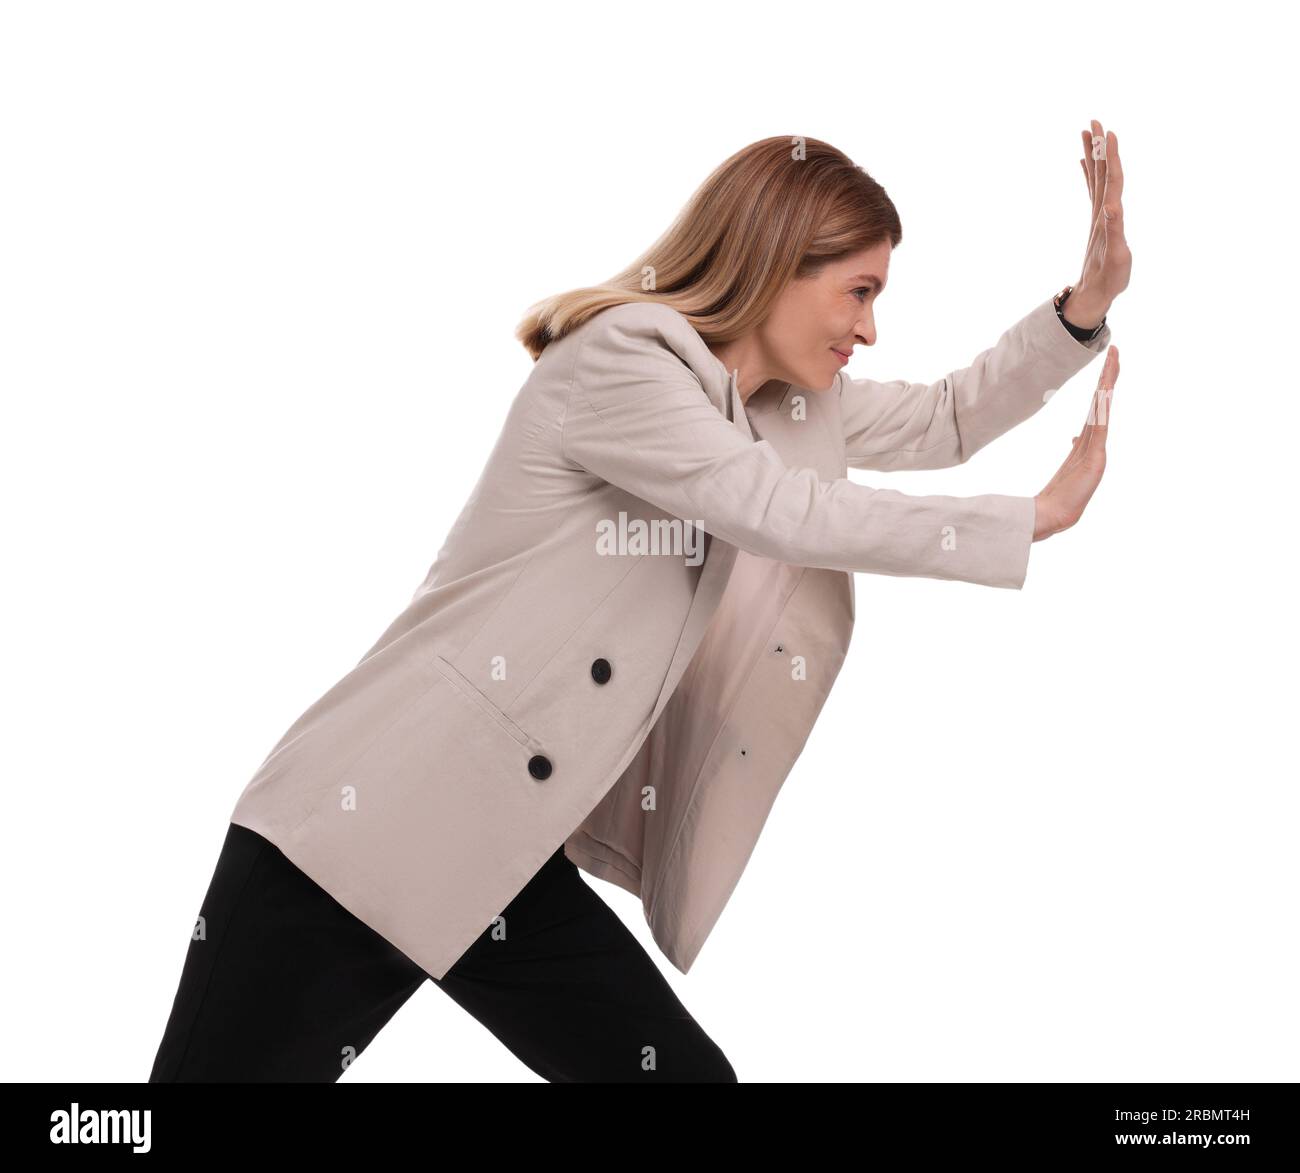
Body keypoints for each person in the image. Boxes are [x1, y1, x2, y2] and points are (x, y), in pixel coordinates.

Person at [149, 125, 1129, 1083]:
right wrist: (1027, 519)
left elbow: (947, 417)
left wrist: (1081, 309)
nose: (869, 329)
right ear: (776, 262)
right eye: (858, 292)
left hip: (502, 856)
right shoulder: (624, 361)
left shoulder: (770, 407)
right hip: (360, 833)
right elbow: (777, 511)